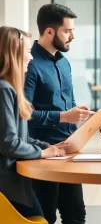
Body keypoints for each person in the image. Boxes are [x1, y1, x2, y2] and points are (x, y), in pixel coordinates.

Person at [24, 4, 93, 224]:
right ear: (49, 31)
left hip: (68, 150)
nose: (72, 36)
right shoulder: (29, 64)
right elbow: (24, 114)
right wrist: (63, 117)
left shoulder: (64, 63)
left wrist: (77, 118)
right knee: (46, 217)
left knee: (76, 216)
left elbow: (68, 101)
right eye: (67, 30)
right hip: (43, 152)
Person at [0, 26, 66, 219]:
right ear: (13, 53)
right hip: (8, 186)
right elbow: (8, 143)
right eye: (27, 52)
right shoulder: (4, 90)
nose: (31, 57)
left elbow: (21, 137)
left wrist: (48, 146)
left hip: (15, 183)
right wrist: (44, 152)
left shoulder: (9, 89)